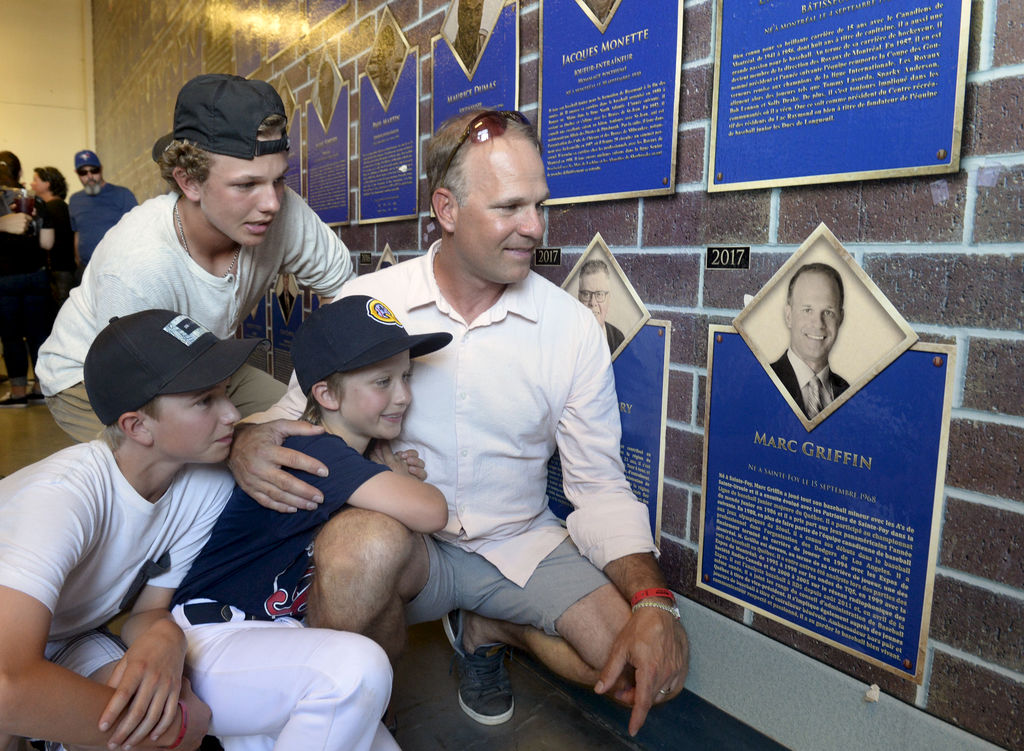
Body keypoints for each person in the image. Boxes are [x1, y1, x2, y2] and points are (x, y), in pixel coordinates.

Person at [230, 109, 689, 738]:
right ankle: (357, 722)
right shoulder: (370, 304)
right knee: (359, 551)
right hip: (411, 547)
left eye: (539, 205)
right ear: (446, 209)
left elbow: (599, 486)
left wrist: (653, 603)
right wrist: (245, 440)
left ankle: (491, 627)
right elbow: (292, 421)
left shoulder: (572, 327)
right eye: (509, 208)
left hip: (520, 542)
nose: (534, 228)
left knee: (647, 675)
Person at [169, 298, 450, 749]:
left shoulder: (344, 451)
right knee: (353, 679)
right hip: (218, 637)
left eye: (406, 377)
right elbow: (432, 511)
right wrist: (393, 478)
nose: (403, 396)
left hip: (273, 636)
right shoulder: (320, 451)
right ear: (326, 395)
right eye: (383, 382)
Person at [37, 73, 355, 442]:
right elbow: (147, 391)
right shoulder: (137, 264)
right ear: (189, 182)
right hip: (98, 377)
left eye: (279, 180)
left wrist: (342, 400)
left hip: (202, 357)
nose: (271, 203)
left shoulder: (286, 212)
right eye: (246, 185)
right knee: (184, 474)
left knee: (316, 435)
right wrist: (241, 447)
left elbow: (341, 293)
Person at [0, 309, 264, 751]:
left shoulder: (205, 485)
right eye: (205, 401)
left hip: (66, 637)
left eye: (226, 393)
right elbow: (7, 684)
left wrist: (165, 635)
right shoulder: (63, 496)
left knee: (176, 713)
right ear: (137, 426)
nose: (233, 414)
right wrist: (171, 736)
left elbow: (147, 610)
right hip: (10, 654)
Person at [0, 151, 54, 408]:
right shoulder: (36, 201)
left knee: (11, 337)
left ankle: (18, 393)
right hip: (36, 276)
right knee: (38, 333)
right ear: (20, 173)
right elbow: (47, 242)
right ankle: (40, 388)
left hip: (4, 278)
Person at [770, 262, 849, 419]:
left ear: (840, 319)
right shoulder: (763, 382)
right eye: (807, 310)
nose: (818, 324)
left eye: (828, 312)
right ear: (788, 315)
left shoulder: (850, 394)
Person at [67, 149, 137, 274]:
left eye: (94, 170)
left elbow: (136, 231)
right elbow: (77, 234)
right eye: (83, 172)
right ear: (76, 173)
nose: (89, 177)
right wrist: (78, 262)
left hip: (117, 269)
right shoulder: (75, 200)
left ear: (101, 169)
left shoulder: (123, 195)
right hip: (85, 271)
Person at [31, 166, 76, 306]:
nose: (32, 184)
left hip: (59, 272)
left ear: (47, 184)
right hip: (64, 270)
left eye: (35, 180)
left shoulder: (52, 208)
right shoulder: (61, 206)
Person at [577, 259, 625, 354]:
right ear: (579, 298)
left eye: (599, 294)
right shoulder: (567, 337)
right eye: (586, 294)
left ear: (608, 299)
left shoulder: (619, 339)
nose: (593, 303)